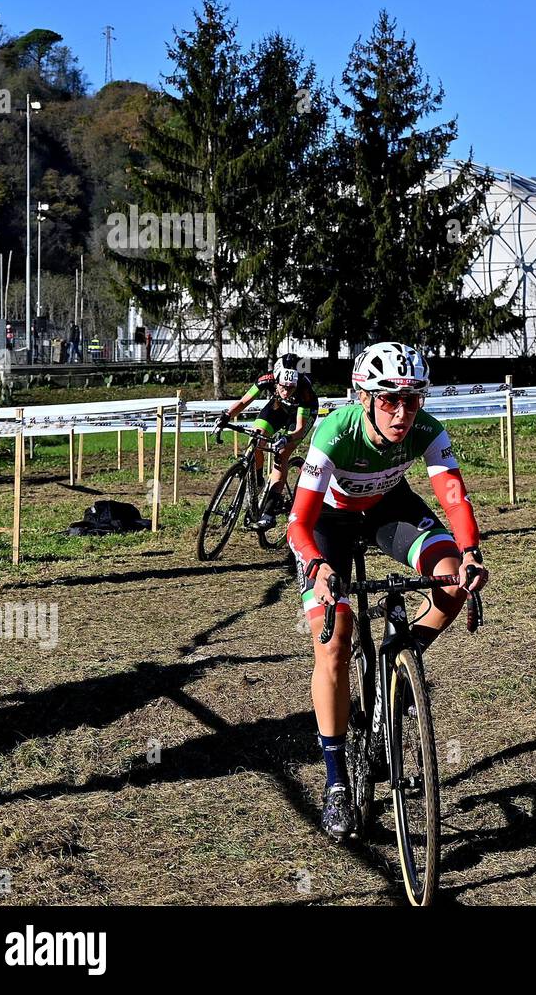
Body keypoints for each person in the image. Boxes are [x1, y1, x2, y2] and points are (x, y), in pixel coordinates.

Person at [286, 341, 489, 839]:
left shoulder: (425, 430)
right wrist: (316, 567)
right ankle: (336, 785)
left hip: (386, 509)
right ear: (363, 397)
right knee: (333, 642)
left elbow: (454, 496)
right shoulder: (334, 432)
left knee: (451, 574)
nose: (401, 413)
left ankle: (402, 654)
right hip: (328, 524)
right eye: (388, 401)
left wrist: (471, 553)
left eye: (412, 400)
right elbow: (298, 523)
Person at [217, 354, 318, 529]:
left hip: (300, 415)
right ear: (276, 379)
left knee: (281, 454)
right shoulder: (266, 380)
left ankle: (270, 512)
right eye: (282, 387)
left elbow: (300, 429)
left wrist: (287, 438)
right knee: (255, 438)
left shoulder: (304, 390)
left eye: (290, 387)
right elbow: (243, 402)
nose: (286, 392)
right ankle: (258, 480)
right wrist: (225, 417)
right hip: (278, 408)